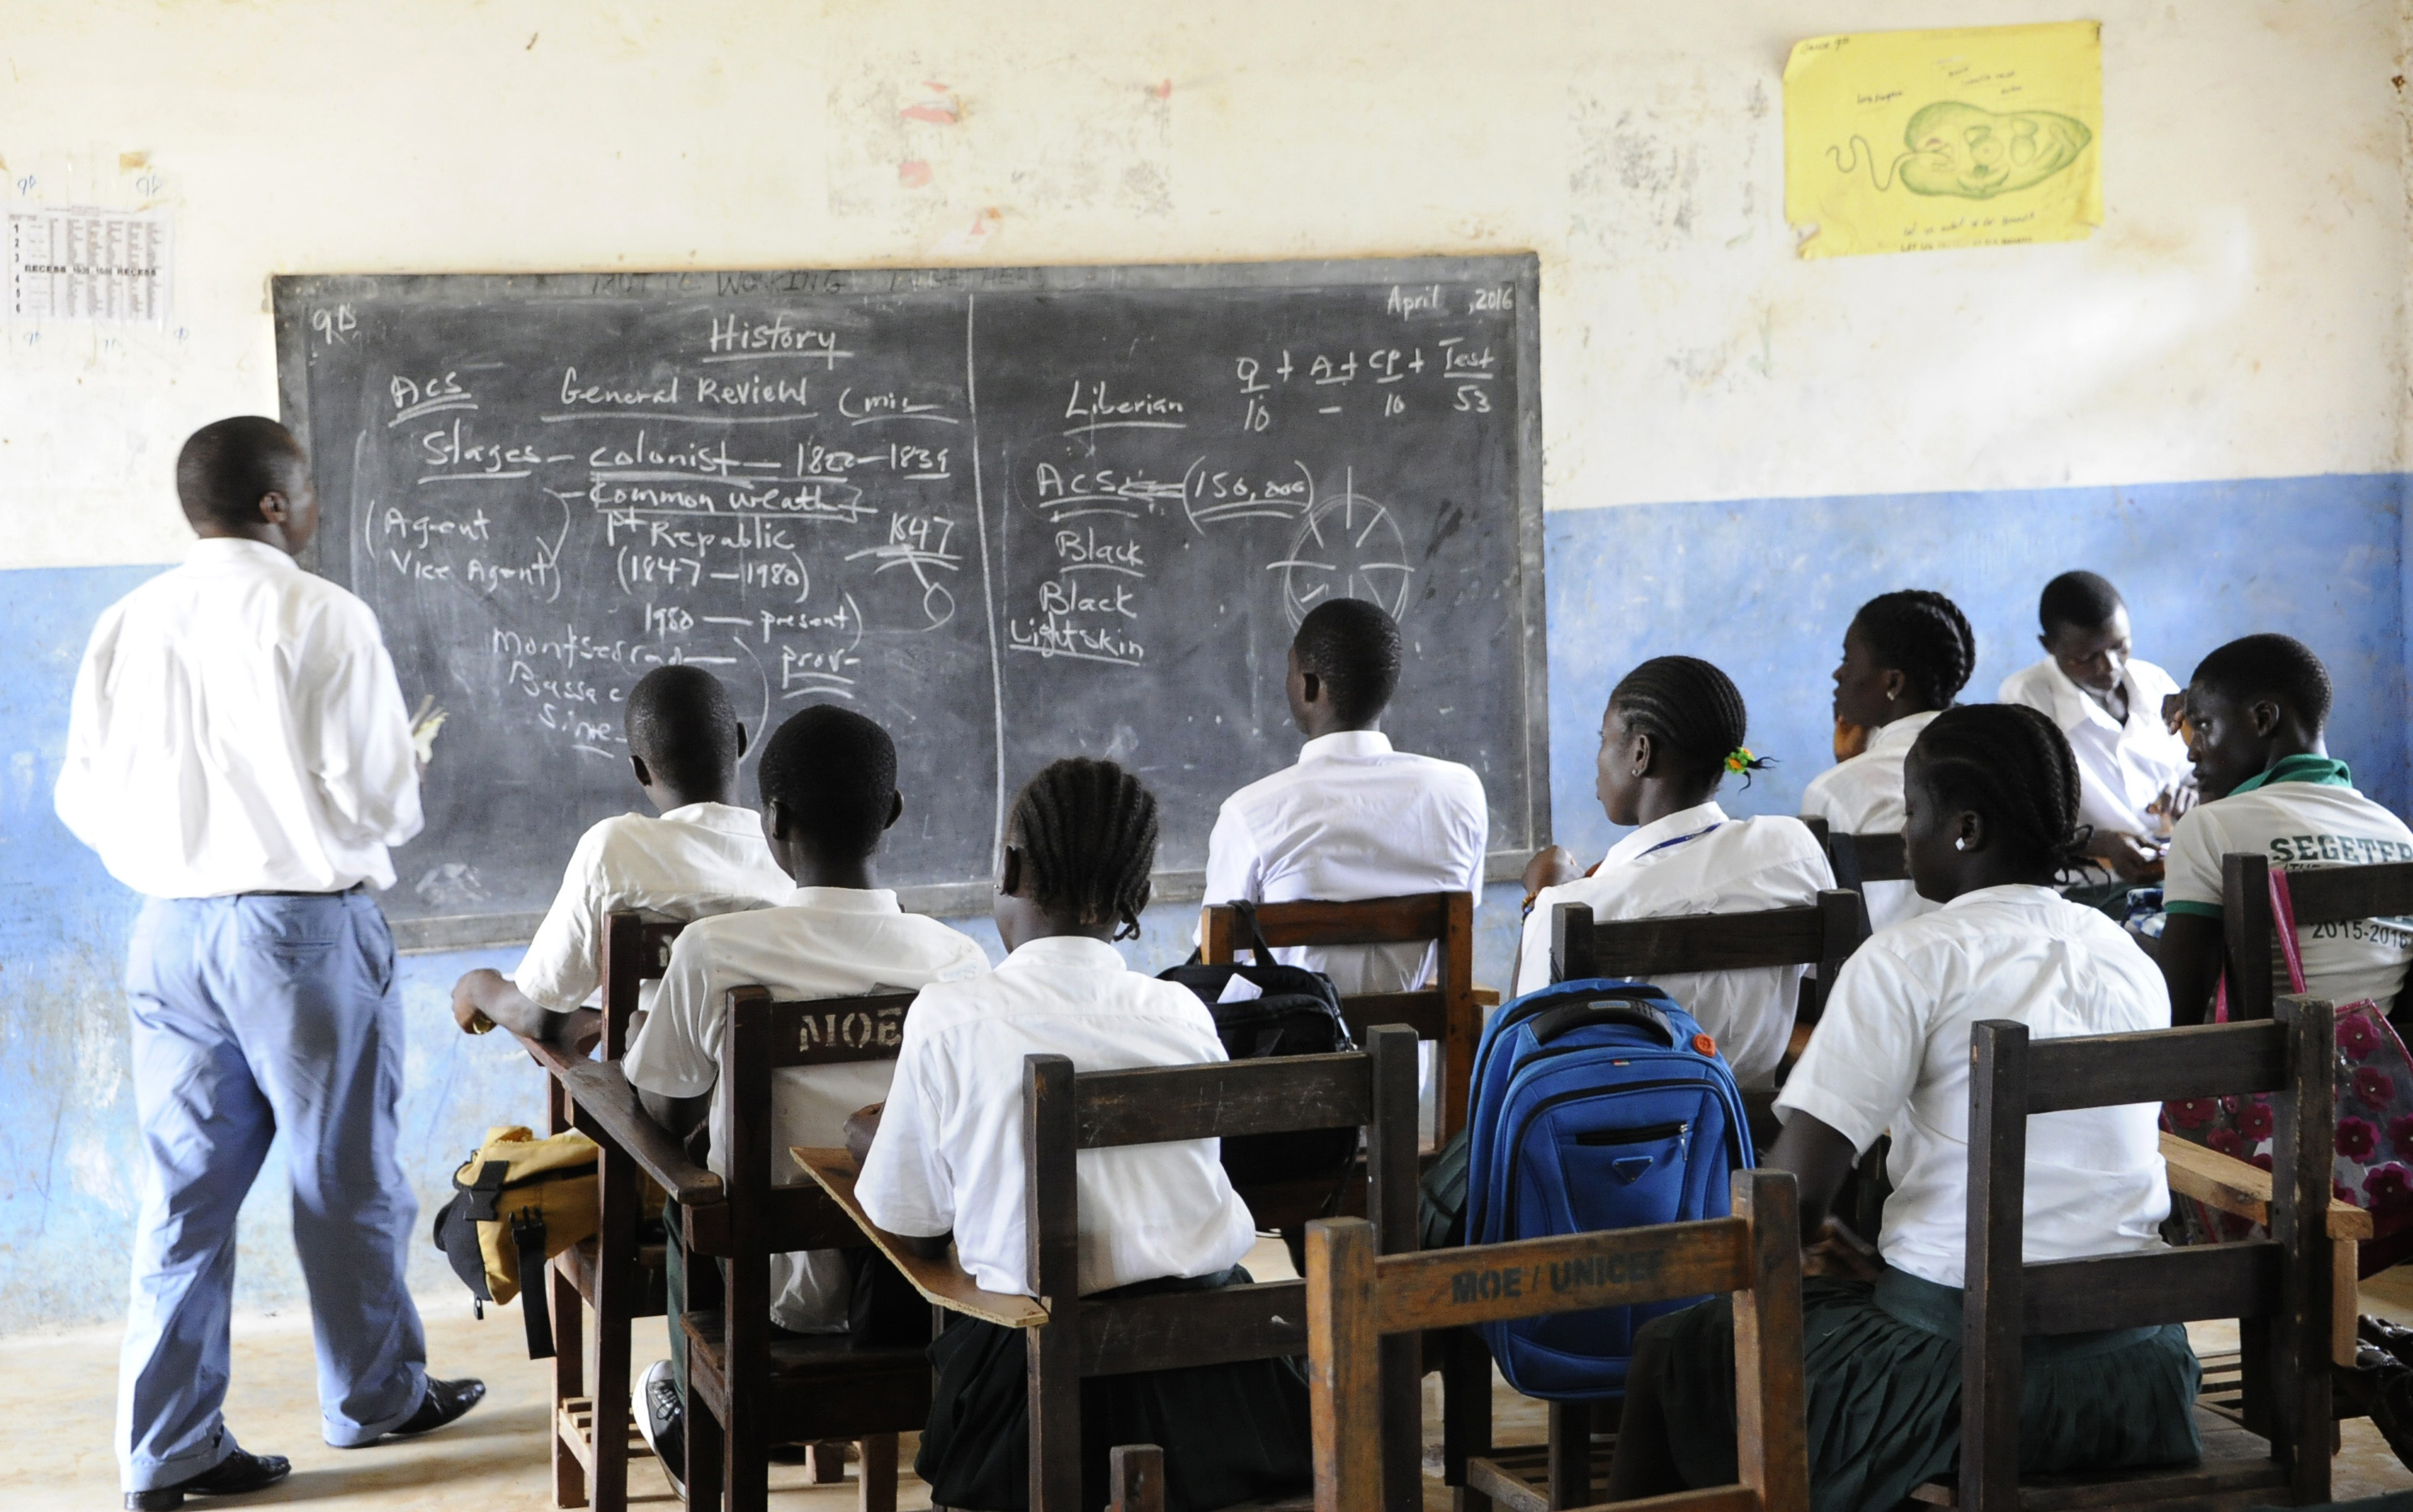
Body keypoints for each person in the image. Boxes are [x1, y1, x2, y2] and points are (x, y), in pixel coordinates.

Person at [1603, 704, 2198, 1512]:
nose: (1904, 834)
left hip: (1966, 1375)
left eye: (1910, 812)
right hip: (2135, 1374)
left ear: (1962, 827)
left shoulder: (1910, 957)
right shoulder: (2128, 957)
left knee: (1675, 1349)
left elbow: (1790, 1200)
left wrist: (1802, 1229)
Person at [54, 417, 482, 1511]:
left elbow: (81, 796)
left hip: (167, 930)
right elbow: (382, 798)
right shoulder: (320, 613)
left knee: (183, 1196)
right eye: (311, 494)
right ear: (278, 506)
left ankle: (167, 1449)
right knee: (341, 1178)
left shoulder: (126, 620)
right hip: (297, 931)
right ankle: (375, 1397)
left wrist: (185, 854)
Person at [853, 758, 1311, 1512]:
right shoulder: (1181, 1014)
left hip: (1036, 1394)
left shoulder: (951, 1014)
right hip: (1227, 1382)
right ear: (1134, 896)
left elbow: (910, 1219)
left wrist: (873, 1146)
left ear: (1009, 866)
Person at [619, 703, 988, 1494]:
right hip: (913, 1293)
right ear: (890, 813)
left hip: (768, 1297)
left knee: (689, 1197)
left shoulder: (716, 949)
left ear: (773, 818)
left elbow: (663, 1107)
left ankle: (694, 1405)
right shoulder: (957, 961)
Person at [1515, 656, 1834, 1090]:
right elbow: (1816, 995)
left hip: (1624, 1140)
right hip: (1744, 1124)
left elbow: (1525, 1051)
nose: (1598, 759)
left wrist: (1540, 900)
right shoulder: (1794, 850)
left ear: (1641, 754)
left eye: (1605, 740)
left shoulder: (1578, 906)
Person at [448, 664, 792, 1051]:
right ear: (742, 742)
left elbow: (537, 1015)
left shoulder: (617, 849)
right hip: (774, 1079)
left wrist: (477, 987)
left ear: (640, 770)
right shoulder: (791, 850)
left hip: (660, 1099)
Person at [1200, 597, 1489, 995]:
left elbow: (1214, 961)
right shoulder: (1460, 793)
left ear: (1310, 685)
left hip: (1287, 1051)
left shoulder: (1250, 813)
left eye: (1291, 670)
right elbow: (1463, 918)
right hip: (1412, 1054)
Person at [2159, 634, 2413, 1026]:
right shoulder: (2399, 835)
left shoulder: (2209, 828)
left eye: (2204, 726)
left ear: (2263, 719)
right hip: (2374, 1079)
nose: (2193, 750)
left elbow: (2175, 1018)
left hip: (2259, 1082)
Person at [1800, 589, 1977, 931]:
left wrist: (1848, 772)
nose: (1838, 674)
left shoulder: (1832, 792)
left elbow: (1825, 928)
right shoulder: (1995, 758)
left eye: (1848, 660)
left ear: (1893, 682)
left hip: (1884, 971)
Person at [1998, 571, 2192, 881]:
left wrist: (2189, 794)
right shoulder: (2027, 696)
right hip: (2089, 883)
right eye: (2086, 657)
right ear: (2049, 646)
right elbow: (2024, 818)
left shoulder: (2153, 682)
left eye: (2120, 647)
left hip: (2175, 868)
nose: (2109, 666)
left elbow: (2192, 773)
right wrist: (2098, 842)